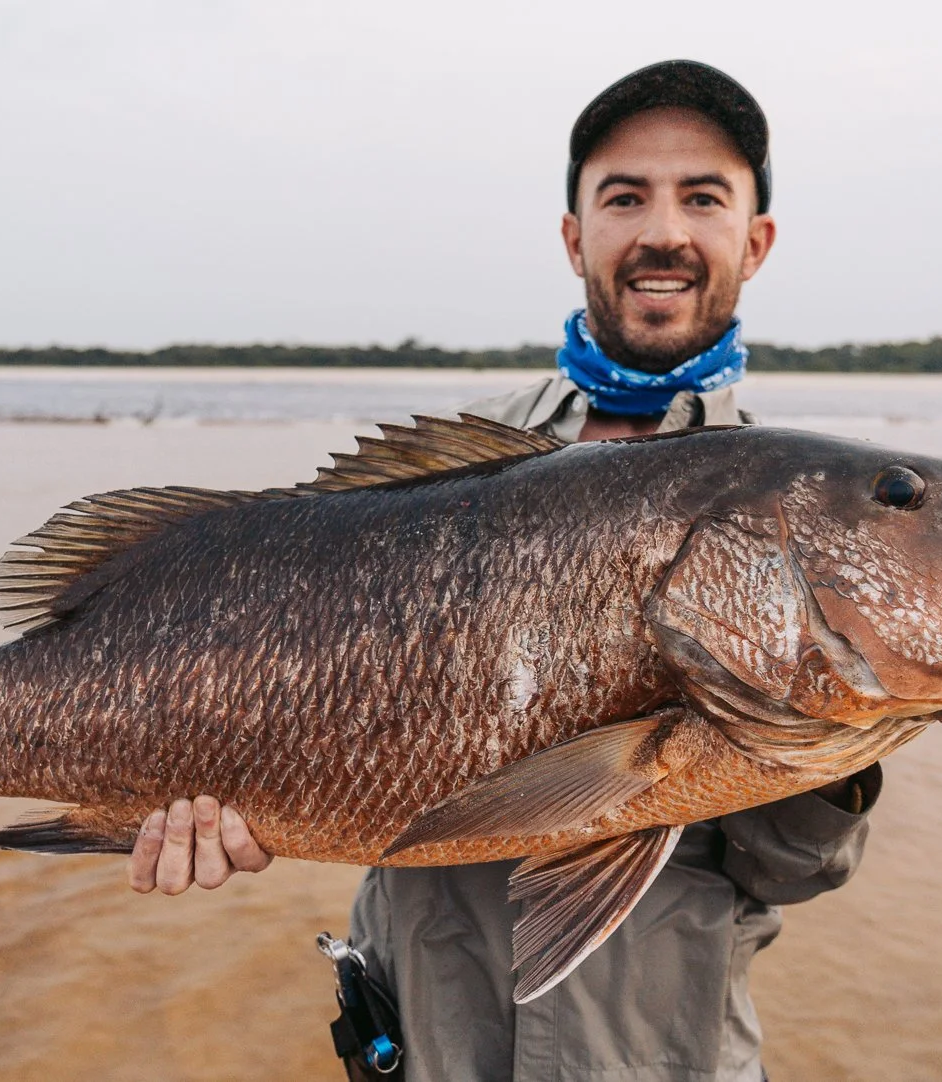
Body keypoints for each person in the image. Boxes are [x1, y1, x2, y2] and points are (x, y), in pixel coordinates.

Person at [126, 61, 882, 1082]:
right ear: (575, 235)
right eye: (625, 196)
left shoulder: (814, 511)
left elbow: (796, 871)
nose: (664, 228)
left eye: (703, 196)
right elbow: (285, 657)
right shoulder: (462, 458)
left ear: (755, 240)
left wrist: (833, 723)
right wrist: (224, 800)